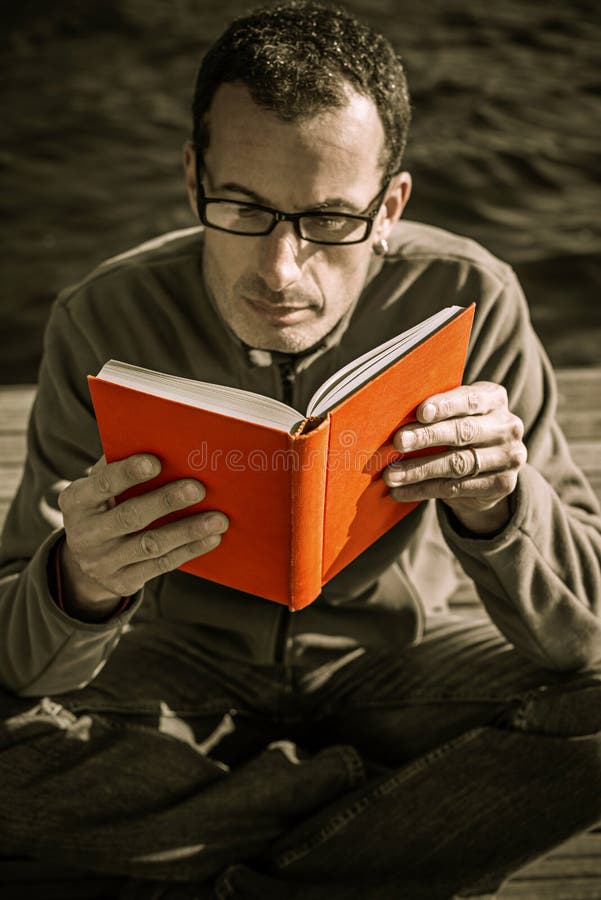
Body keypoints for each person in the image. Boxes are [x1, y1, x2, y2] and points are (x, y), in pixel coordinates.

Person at [1, 2, 600, 897]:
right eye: (241, 207)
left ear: (389, 205)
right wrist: (77, 584)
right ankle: (357, 817)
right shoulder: (103, 315)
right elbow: (20, 659)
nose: (282, 272)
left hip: (397, 669)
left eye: (328, 220)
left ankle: (221, 850)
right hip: (176, 679)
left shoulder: (470, 297)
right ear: (192, 178)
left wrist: (502, 511)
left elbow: (583, 636)